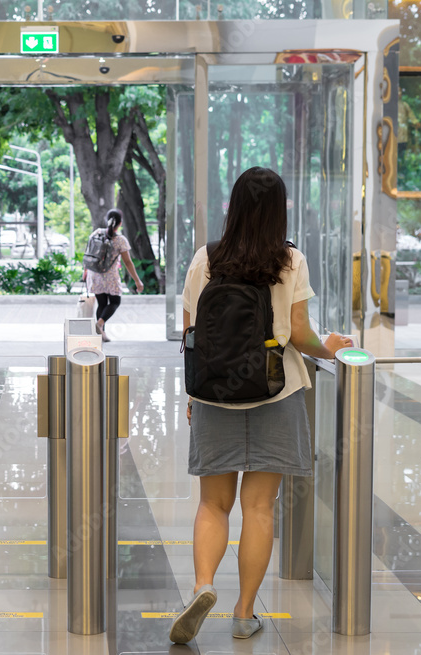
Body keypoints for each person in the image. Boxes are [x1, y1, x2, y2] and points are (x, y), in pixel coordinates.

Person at [171, 167, 352, 644]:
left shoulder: (206, 258)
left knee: (213, 504)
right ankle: (244, 613)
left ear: (234, 206)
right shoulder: (289, 260)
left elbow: (191, 335)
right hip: (276, 393)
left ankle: (202, 586)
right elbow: (300, 334)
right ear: (278, 211)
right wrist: (330, 347)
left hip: (214, 394)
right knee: (258, 507)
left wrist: (192, 395)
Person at [83, 208, 143, 342]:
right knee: (115, 302)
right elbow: (128, 262)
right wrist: (137, 281)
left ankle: (100, 333)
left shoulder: (96, 233)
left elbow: (88, 254)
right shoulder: (120, 240)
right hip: (110, 276)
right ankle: (100, 324)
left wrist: (85, 271)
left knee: (102, 304)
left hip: (95, 274)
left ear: (107, 220)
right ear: (120, 223)